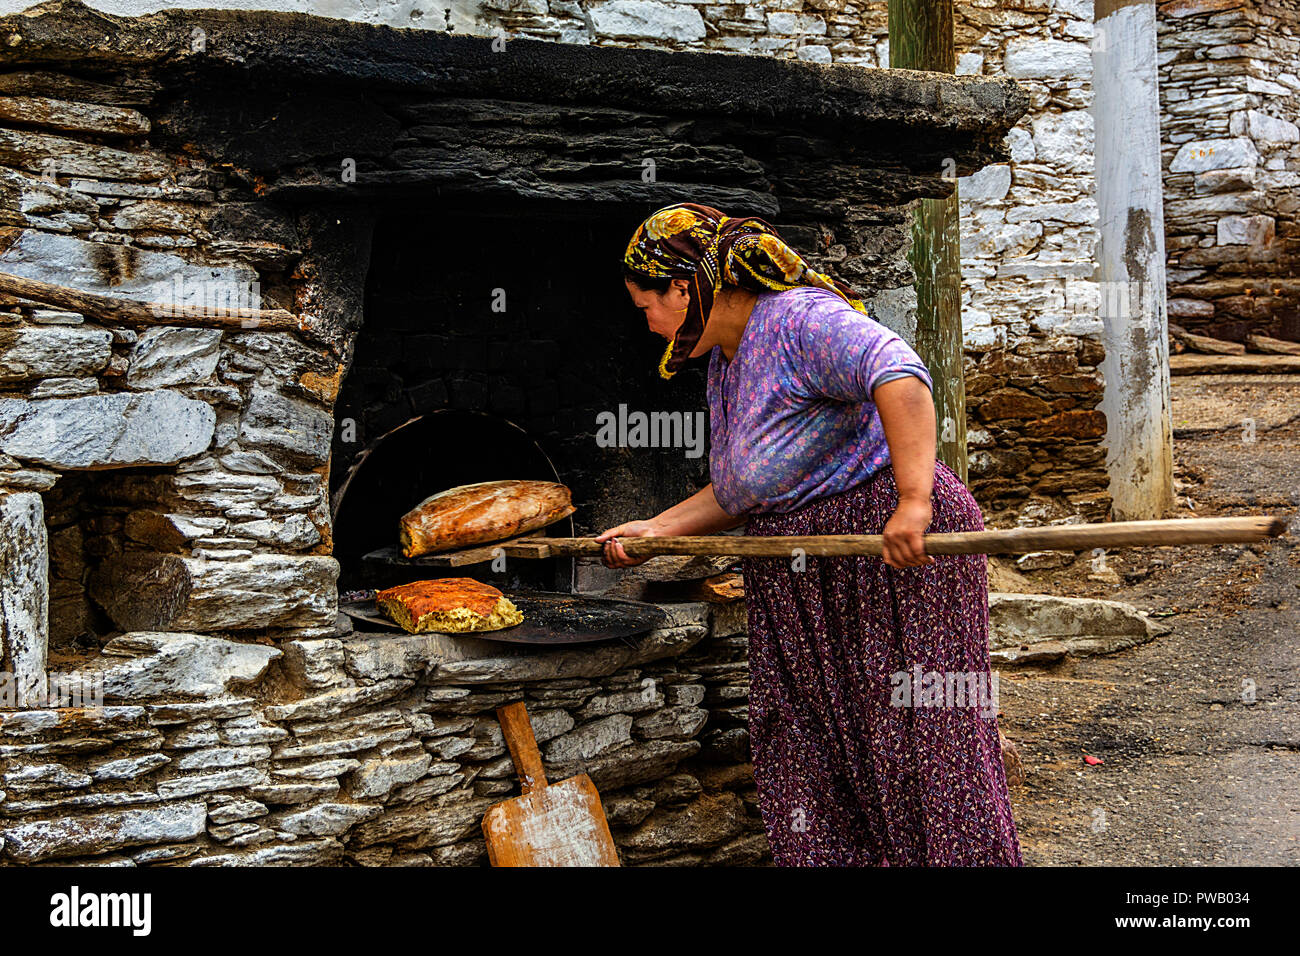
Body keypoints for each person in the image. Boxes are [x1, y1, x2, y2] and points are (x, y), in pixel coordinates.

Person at [597, 202, 1022, 867]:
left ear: (686, 286)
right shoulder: (726, 359)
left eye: (645, 304)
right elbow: (747, 488)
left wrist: (913, 502)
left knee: (914, 737)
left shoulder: (797, 320)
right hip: (806, 574)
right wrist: (659, 529)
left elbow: (900, 374)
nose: (644, 322)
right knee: (809, 743)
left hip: (886, 552)